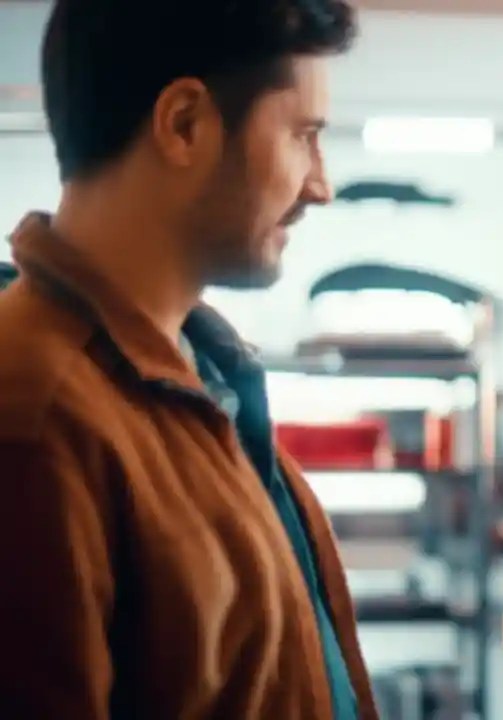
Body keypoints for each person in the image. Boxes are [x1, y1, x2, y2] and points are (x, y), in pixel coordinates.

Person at [0, 1, 377, 718]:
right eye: (302, 136)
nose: (319, 185)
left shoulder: (204, 374)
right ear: (184, 125)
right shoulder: (33, 417)